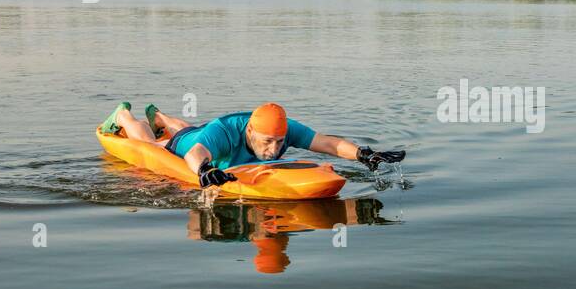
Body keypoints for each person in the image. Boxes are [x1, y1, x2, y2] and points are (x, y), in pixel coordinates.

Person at [98, 101, 404, 188]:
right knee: (151, 142)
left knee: (193, 128)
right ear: (252, 133)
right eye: (268, 142)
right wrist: (204, 171)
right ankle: (125, 114)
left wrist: (364, 154)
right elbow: (196, 153)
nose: (274, 149)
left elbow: (326, 143)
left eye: (280, 143)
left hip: (201, 132)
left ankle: (159, 114)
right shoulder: (226, 131)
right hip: (186, 145)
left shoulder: (285, 128)